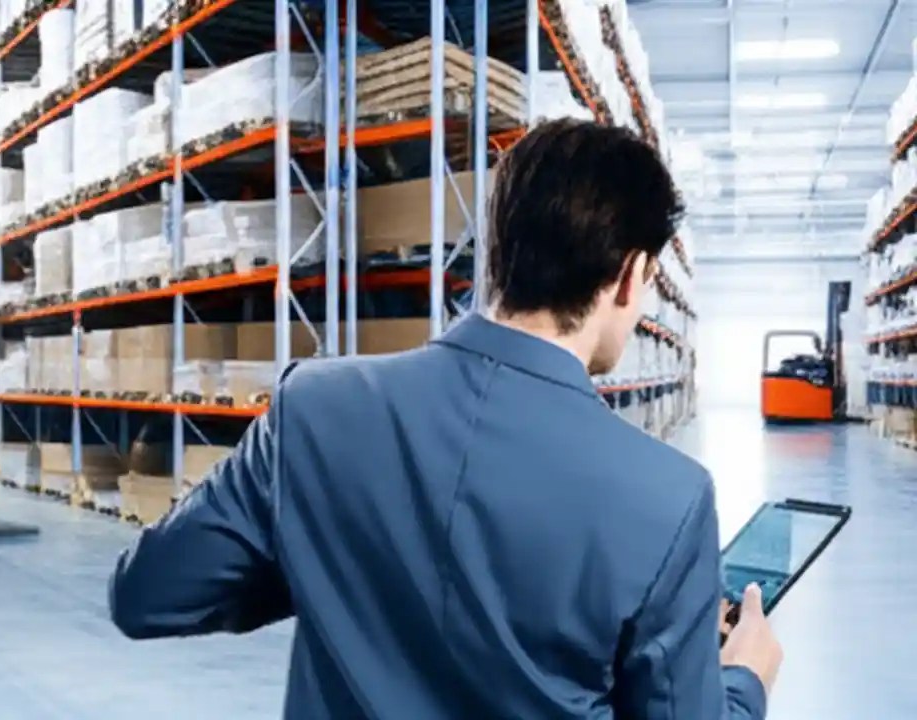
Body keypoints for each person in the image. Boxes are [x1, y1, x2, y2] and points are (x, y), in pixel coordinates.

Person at [107, 119, 782, 719]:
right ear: (631, 276)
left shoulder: (313, 409)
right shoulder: (668, 499)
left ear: (499, 247)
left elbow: (148, 595)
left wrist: (334, 555)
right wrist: (744, 680)